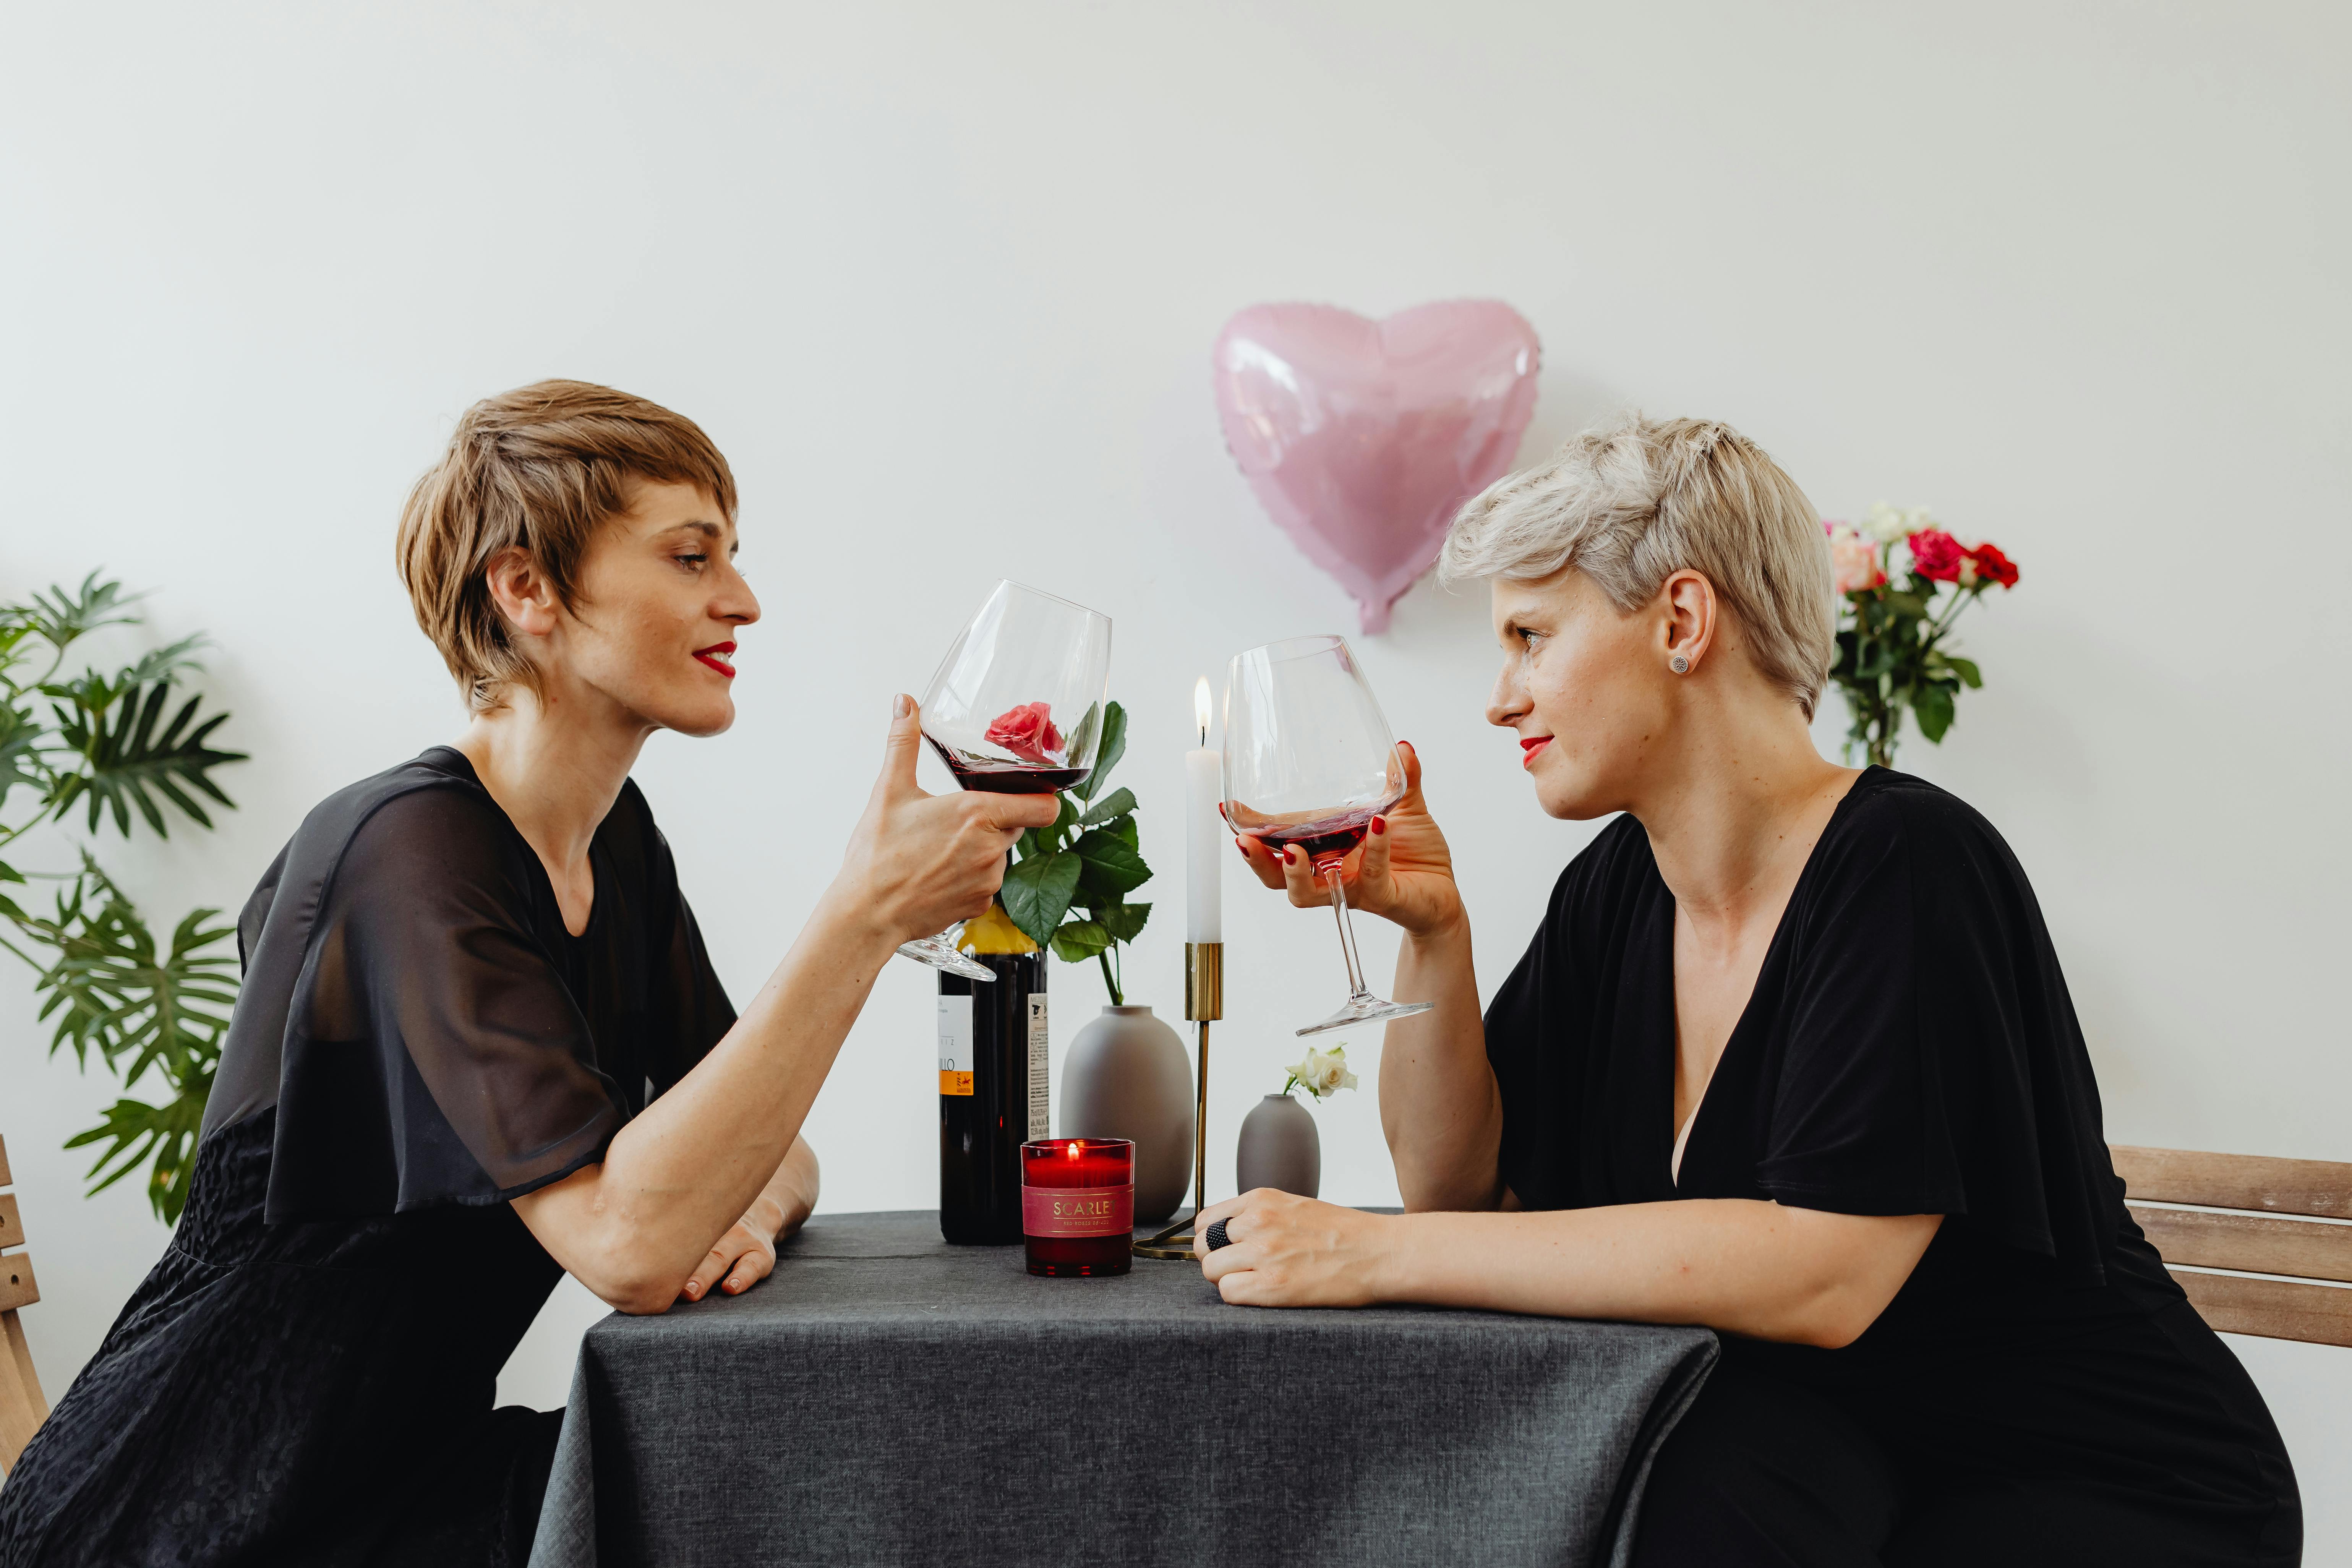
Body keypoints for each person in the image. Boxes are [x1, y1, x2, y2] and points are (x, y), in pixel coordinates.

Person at [1198, 415, 2300, 1566]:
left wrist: (1373, 1256)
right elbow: (1456, 1196)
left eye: (1531, 637)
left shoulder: (1907, 864)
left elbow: (1827, 1274)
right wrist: (1435, 932)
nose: (1500, 698)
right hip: (1867, 1466)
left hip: (2111, 1488)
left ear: (1682, 622)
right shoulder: (1618, 889)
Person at [0, 381, 1058, 1568]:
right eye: (690, 556)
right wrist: (862, 915)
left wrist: (741, 1208)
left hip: (407, 1487)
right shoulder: (407, 854)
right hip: (175, 1522)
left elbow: (772, 1152)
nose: (742, 599)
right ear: (526, 589)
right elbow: (626, 1245)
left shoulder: (616, 845)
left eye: (731, 554)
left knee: (796, 1459)